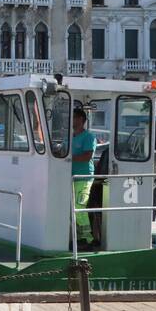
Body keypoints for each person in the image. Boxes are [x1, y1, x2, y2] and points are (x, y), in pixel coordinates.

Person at [71, 106, 98, 250]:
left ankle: (88, 240)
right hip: (71, 178)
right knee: (72, 208)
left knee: (79, 207)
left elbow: (87, 156)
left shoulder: (89, 137)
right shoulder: (70, 137)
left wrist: (68, 158)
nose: (71, 119)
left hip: (84, 178)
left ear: (81, 119)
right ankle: (79, 238)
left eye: (73, 117)